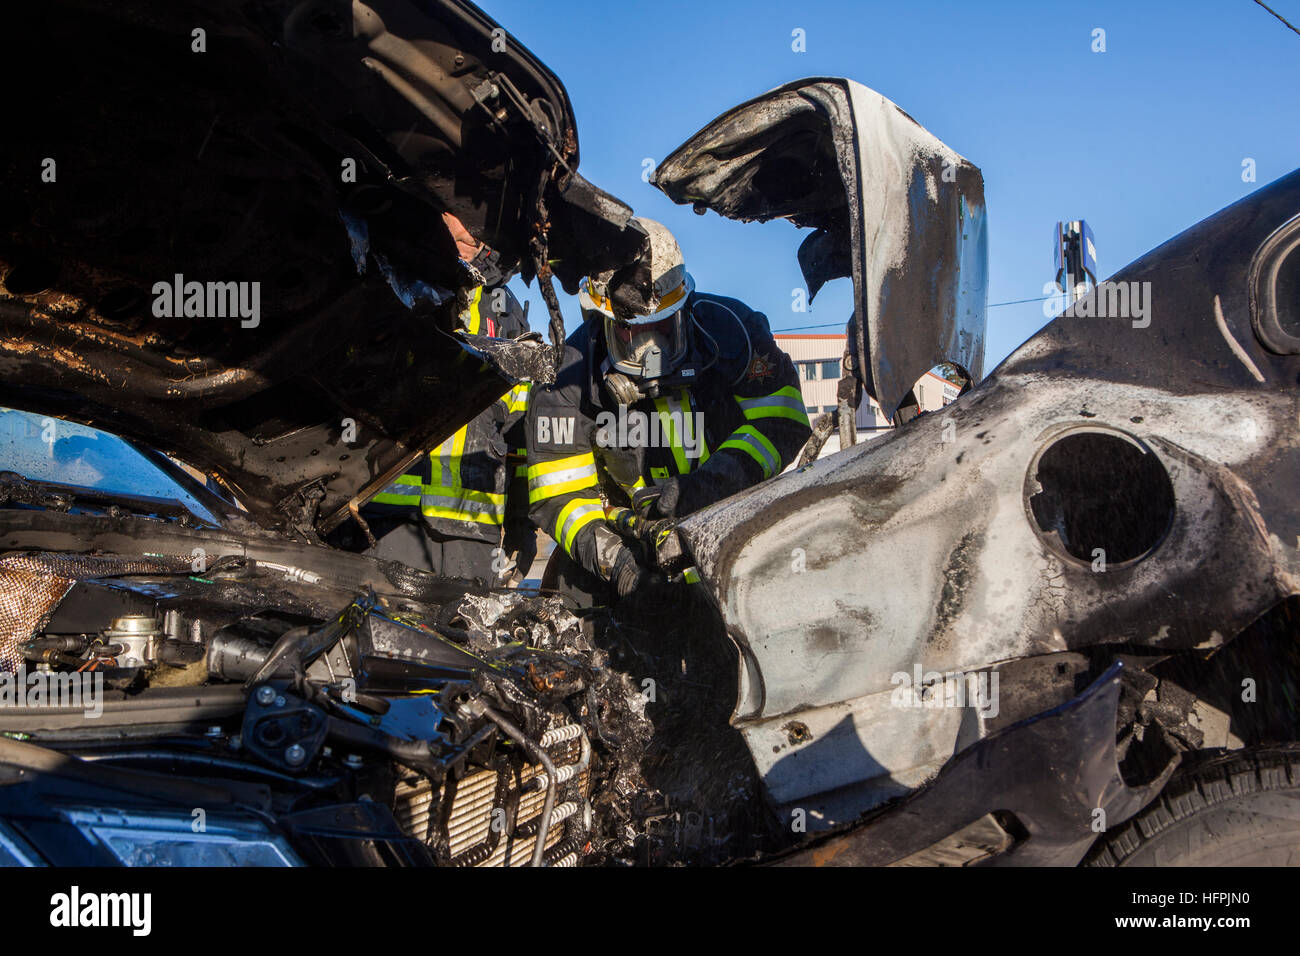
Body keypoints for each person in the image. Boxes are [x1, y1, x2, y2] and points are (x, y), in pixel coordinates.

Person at [526, 217, 810, 605]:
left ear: (684, 307)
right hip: (627, 543)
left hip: (732, 529)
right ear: (600, 320)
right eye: (631, 332)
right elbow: (559, 495)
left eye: (663, 327)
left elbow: (783, 423)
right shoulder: (565, 376)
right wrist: (618, 564)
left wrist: (706, 487)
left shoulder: (731, 332)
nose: (650, 350)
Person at [363, 214, 534, 582]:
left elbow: (521, 429)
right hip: (389, 514)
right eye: (447, 232)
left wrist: (523, 521)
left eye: (467, 239)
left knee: (467, 634)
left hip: (471, 529)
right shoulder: (392, 281)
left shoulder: (506, 311)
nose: (458, 244)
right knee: (383, 627)